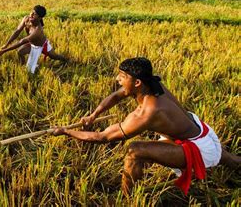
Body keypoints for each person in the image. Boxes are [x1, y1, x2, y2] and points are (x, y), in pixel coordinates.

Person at [52, 57, 240, 196]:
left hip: (196, 147)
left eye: (122, 76)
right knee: (231, 160)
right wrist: (94, 114)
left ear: (137, 82)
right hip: (201, 131)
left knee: (135, 150)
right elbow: (117, 96)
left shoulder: (148, 113)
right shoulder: (153, 85)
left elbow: (103, 137)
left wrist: (65, 131)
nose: (118, 79)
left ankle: (127, 198)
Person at [0, 5, 67, 73]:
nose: (31, 14)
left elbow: (21, 41)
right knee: (20, 52)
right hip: (31, 43)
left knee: (54, 56)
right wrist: (6, 45)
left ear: (40, 18)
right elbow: (17, 31)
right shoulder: (26, 19)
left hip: (41, 46)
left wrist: (4, 51)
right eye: (32, 12)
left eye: (35, 14)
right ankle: (22, 67)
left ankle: (65, 60)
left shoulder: (38, 30)